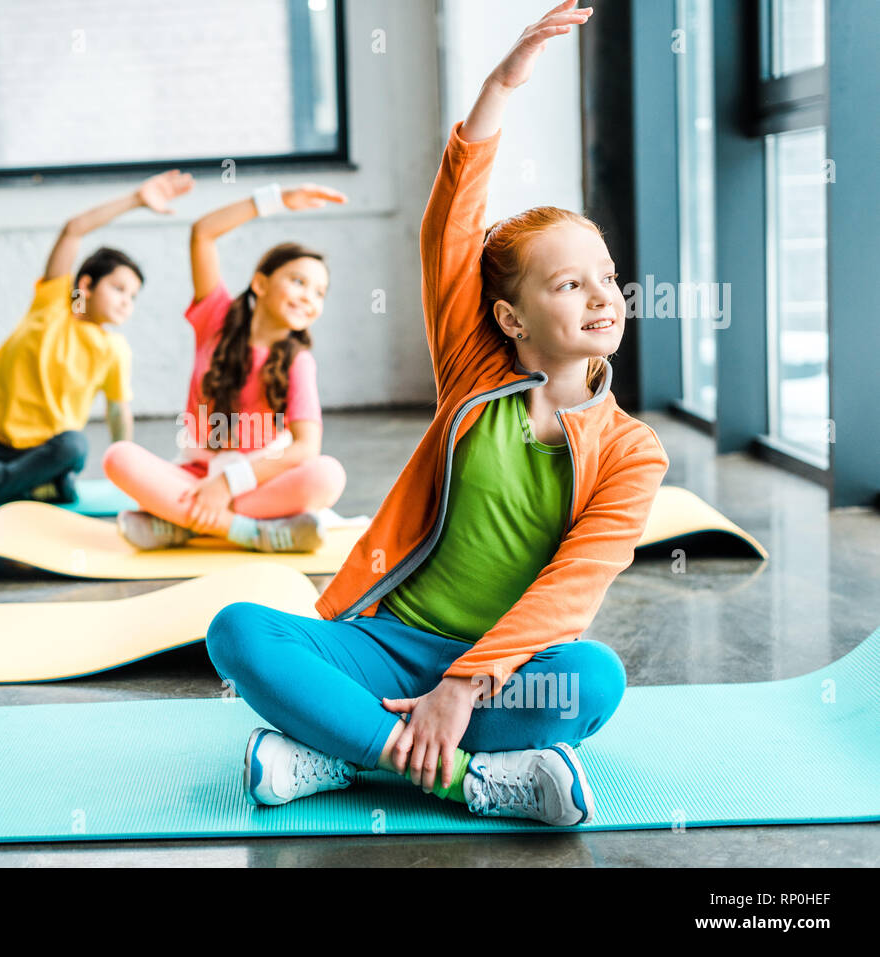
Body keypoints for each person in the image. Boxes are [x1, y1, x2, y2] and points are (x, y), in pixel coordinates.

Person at [206, 2, 669, 826]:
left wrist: (462, 685)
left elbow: (570, 590)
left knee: (596, 681)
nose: (602, 294)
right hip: (384, 645)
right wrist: (502, 84)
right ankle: (469, 779)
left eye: (604, 275)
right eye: (568, 284)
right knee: (238, 632)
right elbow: (451, 223)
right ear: (511, 320)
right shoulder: (473, 372)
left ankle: (332, 751)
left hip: (507, 665)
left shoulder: (633, 454)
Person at [0, 171, 193, 509]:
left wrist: (127, 471)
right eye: (118, 288)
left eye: (132, 296)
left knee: (74, 446)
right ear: (85, 285)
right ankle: (26, 487)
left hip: (49, 452)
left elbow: (118, 411)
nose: (126, 301)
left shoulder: (114, 350)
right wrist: (136, 200)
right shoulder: (53, 303)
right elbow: (74, 229)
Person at [101, 181, 348, 554]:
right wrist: (278, 199)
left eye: (319, 292)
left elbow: (304, 448)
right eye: (298, 281)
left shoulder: (299, 361)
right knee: (118, 458)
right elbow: (203, 233)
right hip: (195, 476)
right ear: (261, 283)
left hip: (255, 483)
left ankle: (180, 522)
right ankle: (248, 531)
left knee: (328, 475)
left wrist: (228, 484)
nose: (308, 298)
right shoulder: (214, 319)